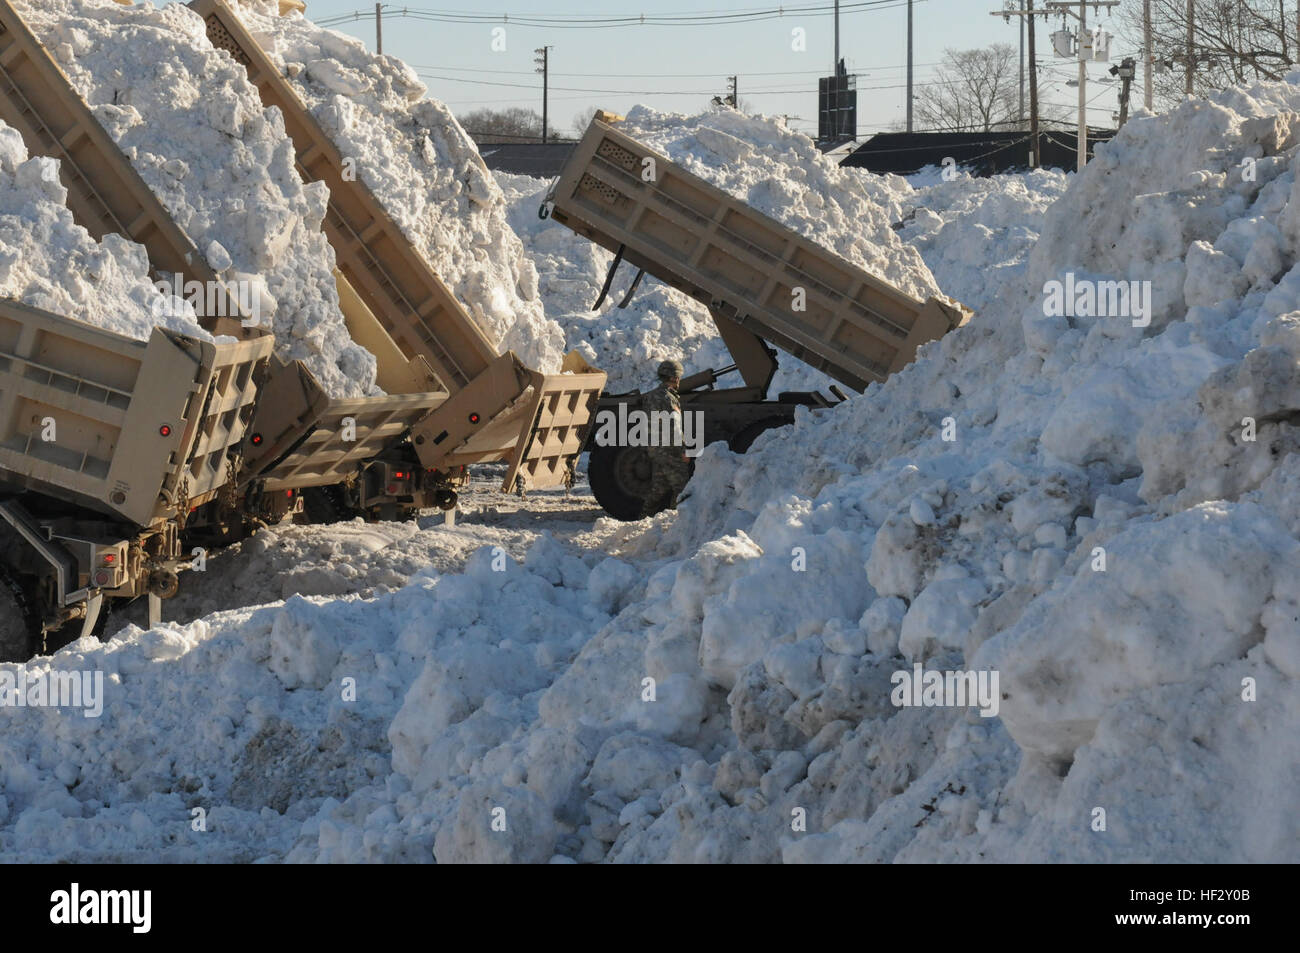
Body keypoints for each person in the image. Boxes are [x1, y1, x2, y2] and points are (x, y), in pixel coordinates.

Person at [641, 359, 692, 516]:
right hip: (668, 450)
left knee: (659, 487)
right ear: (674, 377)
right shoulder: (668, 398)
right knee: (682, 486)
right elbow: (674, 427)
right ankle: (674, 519)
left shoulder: (651, 396)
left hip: (654, 449)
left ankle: (643, 516)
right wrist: (683, 450)